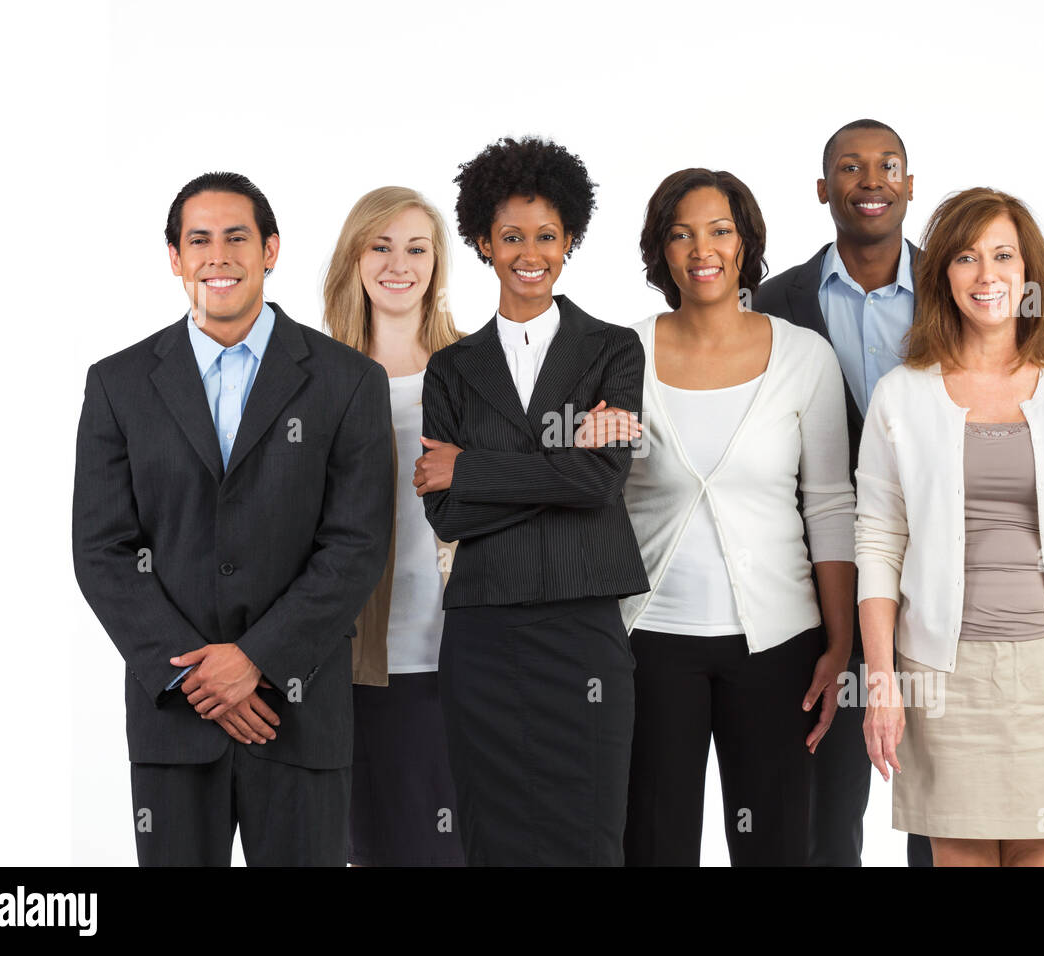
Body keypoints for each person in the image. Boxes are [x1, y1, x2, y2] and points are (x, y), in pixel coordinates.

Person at [72, 172, 393, 866]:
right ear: (176, 259)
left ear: (270, 250)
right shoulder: (118, 384)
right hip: (173, 725)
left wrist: (257, 661)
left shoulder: (347, 381)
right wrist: (197, 676)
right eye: (200, 240)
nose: (218, 256)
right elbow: (102, 550)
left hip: (300, 716)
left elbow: (358, 543)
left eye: (237, 237)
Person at [855, 187, 1044, 867]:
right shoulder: (902, 394)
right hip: (942, 675)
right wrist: (883, 682)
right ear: (942, 276)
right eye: (966, 258)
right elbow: (878, 543)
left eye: (1003, 255)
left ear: (1029, 271)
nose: (987, 275)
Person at [414, 136, 649, 865]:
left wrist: (473, 469)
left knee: (590, 837)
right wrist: (555, 465)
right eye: (511, 236)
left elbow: (598, 482)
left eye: (546, 235)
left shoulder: (614, 349)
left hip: (583, 629)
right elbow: (445, 514)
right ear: (484, 242)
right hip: (483, 637)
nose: (529, 252)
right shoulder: (451, 370)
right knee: (493, 837)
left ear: (569, 239)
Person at [613, 169, 856, 866]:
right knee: (654, 844)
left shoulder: (804, 357)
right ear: (660, 251)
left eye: (719, 230)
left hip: (778, 647)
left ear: (746, 243)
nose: (702, 249)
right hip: (648, 645)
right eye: (681, 234)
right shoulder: (621, 353)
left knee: (776, 845)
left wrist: (838, 647)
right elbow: (593, 494)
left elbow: (831, 507)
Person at [753, 118, 933, 866]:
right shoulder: (771, 302)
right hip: (817, 583)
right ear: (824, 189)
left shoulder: (958, 292)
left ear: (910, 186)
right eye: (851, 168)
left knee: (947, 799)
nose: (871, 180)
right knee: (825, 809)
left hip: (934, 579)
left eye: (887, 165)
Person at [322, 186, 465, 866]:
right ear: (354, 259)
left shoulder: (480, 369)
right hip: (356, 667)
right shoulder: (316, 378)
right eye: (379, 245)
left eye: (416, 248)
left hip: (470, 660)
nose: (397, 263)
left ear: (437, 265)